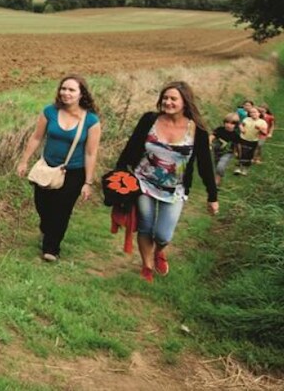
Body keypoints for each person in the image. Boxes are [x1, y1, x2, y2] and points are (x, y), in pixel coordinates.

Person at [115, 81, 218, 282]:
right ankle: (147, 266)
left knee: (163, 235)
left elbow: (205, 165)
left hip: (174, 189)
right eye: (165, 98)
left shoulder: (197, 130)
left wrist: (212, 196)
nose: (168, 102)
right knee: (145, 226)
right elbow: (131, 147)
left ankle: (159, 250)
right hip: (143, 182)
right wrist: (119, 173)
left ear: (185, 102)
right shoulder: (149, 120)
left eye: (173, 99)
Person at [15, 75, 102, 262]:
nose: (66, 93)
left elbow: (90, 153)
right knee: (42, 205)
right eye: (63, 88)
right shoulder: (50, 112)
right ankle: (46, 230)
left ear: (81, 94)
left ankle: (51, 248)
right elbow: (36, 137)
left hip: (74, 172)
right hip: (47, 167)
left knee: (62, 210)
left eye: (71, 90)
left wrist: (88, 182)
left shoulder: (91, 121)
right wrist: (24, 161)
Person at [235, 106, 269, 175]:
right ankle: (239, 168)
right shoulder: (246, 119)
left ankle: (245, 169)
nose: (253, 114)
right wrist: (242, 129)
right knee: (242, 153)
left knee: (249, 155)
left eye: (254, 112)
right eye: (251, 112)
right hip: (243, 138)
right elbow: (241, 125)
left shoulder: (262, 122)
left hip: (253, 141)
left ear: (259, 113)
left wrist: (259, 128)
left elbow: (265, 133)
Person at [212, 113, 240, 185]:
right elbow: (212, 136)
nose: (228, 125)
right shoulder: (220, 129)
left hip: (228, 153)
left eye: (232, 123)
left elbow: (237, 145)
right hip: (217, 151)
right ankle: (218, 177)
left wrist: (237, 153)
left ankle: (217, 181)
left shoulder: (236, 135)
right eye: (227, 122)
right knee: (217, 165)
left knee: (221, 165)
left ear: (236, 125)